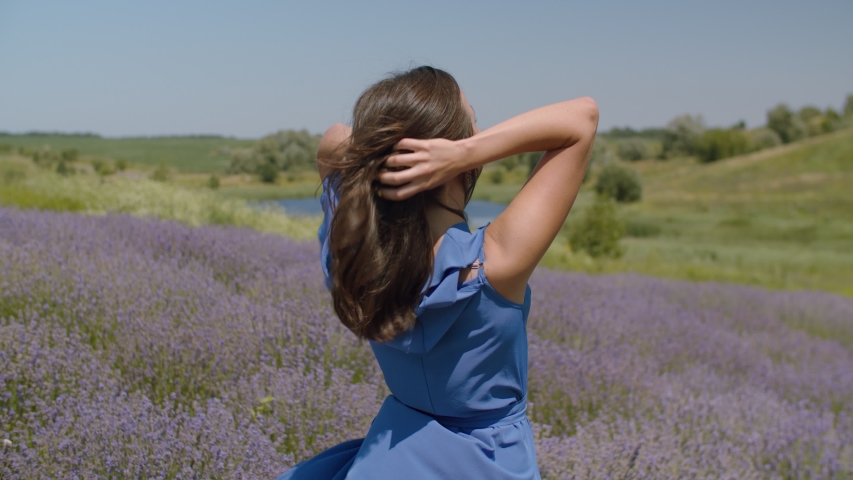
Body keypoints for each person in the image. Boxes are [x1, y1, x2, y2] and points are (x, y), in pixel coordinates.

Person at [277, 66, 598, 479]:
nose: (477, 133)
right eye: (473, 123)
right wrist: (468, 151)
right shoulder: (492, 264)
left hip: (392, 457)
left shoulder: (354, 251)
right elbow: (582, 118)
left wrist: (392, 152)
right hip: (488, 461)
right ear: (451, 153)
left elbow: (334, 138)